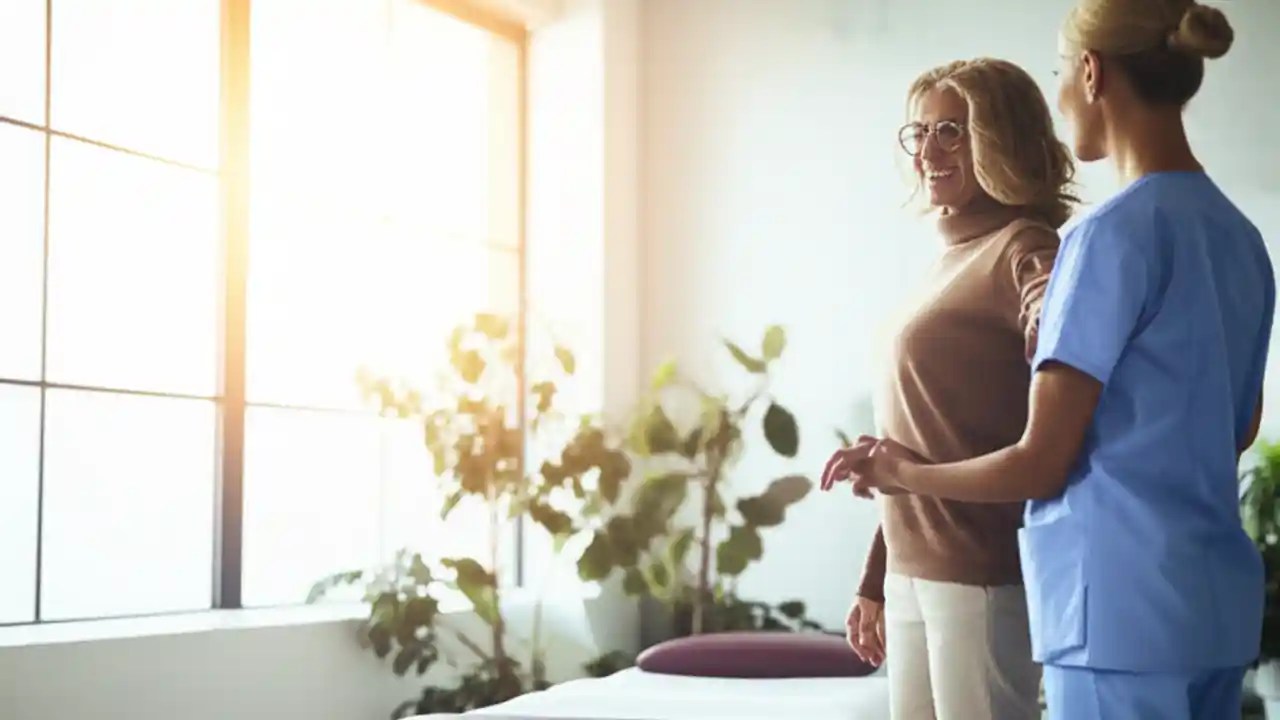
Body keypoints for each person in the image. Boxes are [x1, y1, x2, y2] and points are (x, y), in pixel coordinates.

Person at [827, 1, 1274, 718]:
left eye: (1062, 73)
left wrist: (901, 473)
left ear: (1090, 73)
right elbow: (1239, 427)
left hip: (1114, 606)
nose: (1061, 97)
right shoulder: (1242, 240)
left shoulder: (1104, 239)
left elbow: (1041, 459)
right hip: (1210, 606)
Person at [819, 58, 1078, 719]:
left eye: (952, 131)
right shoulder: (948, 260)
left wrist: (1049, 320)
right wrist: (874, 579)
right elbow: (917, 447)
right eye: (921, 131)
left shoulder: (1023, 244)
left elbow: (1055, 312)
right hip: (914, 572)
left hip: (980, 576)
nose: (928, 152)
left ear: (1001, 140)